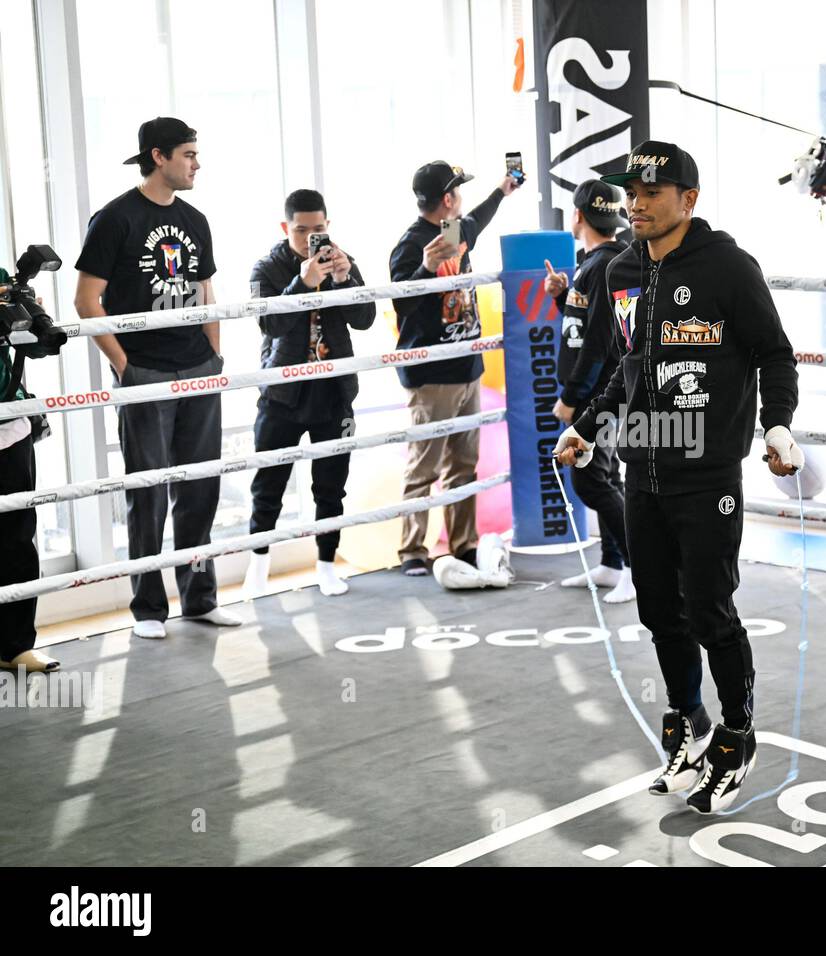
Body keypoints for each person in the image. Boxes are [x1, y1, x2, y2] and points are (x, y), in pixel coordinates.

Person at [555, 140, 803, 814]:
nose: (635, 203)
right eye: (629, 192)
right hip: (642, 464)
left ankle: (737, 736)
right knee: (659, 611)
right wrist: (589, 423)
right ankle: (688, 722)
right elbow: (626, 366)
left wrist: (776, 425)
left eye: (651, 192)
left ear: (688, 199)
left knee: (710, 611)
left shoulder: (727, 267)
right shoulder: (621, 271)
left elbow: (775, 355)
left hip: (708, 470)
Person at [74, 117, 240, 640]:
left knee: (199, 488)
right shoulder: (115, 219)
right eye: (188, 154)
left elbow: (206, 292)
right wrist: (125, 367)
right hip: (145, 372)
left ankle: (199, 598)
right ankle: (148, 610)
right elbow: (85, 301)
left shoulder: (195, 219)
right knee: (146, 494)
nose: (196, 164)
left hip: (197, 368)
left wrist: (214, 354)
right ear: (159, 156)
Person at [241, 189, 376, 600]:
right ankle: (258, 567)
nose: (311, 238)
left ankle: (325, 566)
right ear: (286, 228)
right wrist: (302, 283)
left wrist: (344, 279)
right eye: (302, 230)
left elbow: (366, 319)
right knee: (268, 488)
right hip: (282, 394)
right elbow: (270, 326)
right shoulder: (267, 267)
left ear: (327, 226)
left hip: (334, 393)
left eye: (318, 229)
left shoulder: (341, 259)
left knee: (331, 487)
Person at [388, 160, 519, 577]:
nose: (461, 199)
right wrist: (425, 270)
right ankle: (412, 549)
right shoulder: (410, 245)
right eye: (457, 192)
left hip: (468, 366)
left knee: (464, 463)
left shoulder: (457, 231)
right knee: (424, 465)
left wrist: (503, 190)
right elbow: (401, 306)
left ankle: (464, 544)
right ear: (447, 199)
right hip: (431, 375)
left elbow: (479, 218)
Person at [543, 179, 633, 604]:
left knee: (590, 482)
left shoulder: (603, 265)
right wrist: (563, 298)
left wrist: (573, 397)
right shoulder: (598, 262)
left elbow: (599, 342)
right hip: (603, 390)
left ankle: (635, 568)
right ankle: (613, 564)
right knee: (605, 475)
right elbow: (586, 325)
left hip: (598, 394)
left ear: (578, 215)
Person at [0, 344, 59, 672]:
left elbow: (40, 347)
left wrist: (25, 320)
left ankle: (15, 647)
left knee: (18, 539)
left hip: (9, 425)